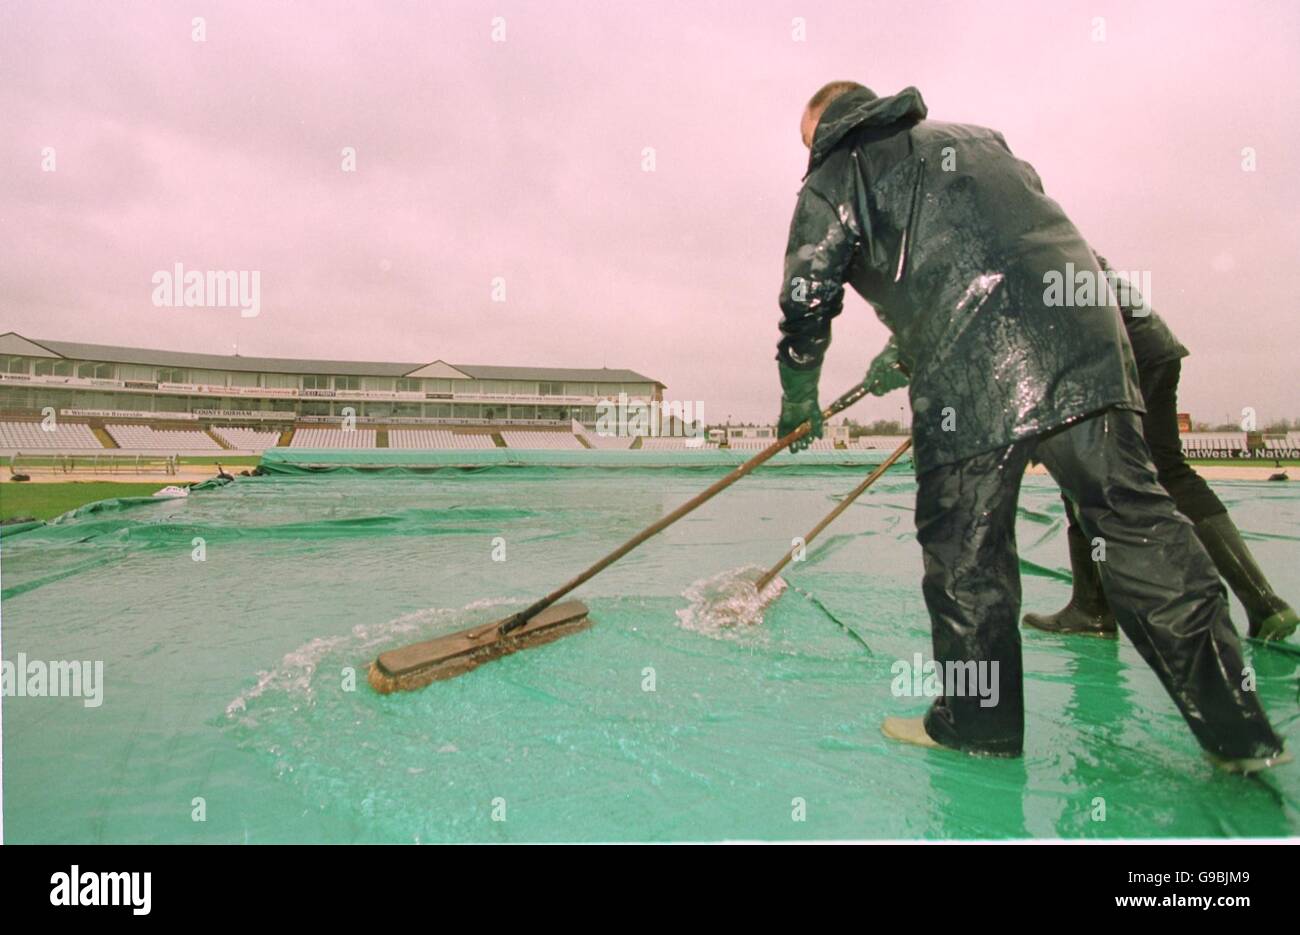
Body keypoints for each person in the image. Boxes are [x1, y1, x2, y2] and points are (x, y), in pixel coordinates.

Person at [775, 80, 1286, 772]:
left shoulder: (836, 176)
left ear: (825, 130)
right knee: (1140, 525)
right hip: (1087, 347)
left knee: (966, 549)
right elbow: (986, 256)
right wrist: (902, 349)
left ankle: (977, 722)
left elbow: (808, 296)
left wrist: (799, 398)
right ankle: (1238, 727)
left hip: (975, 373)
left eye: (807, 142)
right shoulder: (979, 142)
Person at [1022, 257, 1297, 641]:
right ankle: (1264, 602)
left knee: (1081, 480)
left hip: (1112, 357)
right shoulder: (1046, 232)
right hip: (1151, 347)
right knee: (1168, 471)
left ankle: (1093, 608)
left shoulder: (1007, 246)